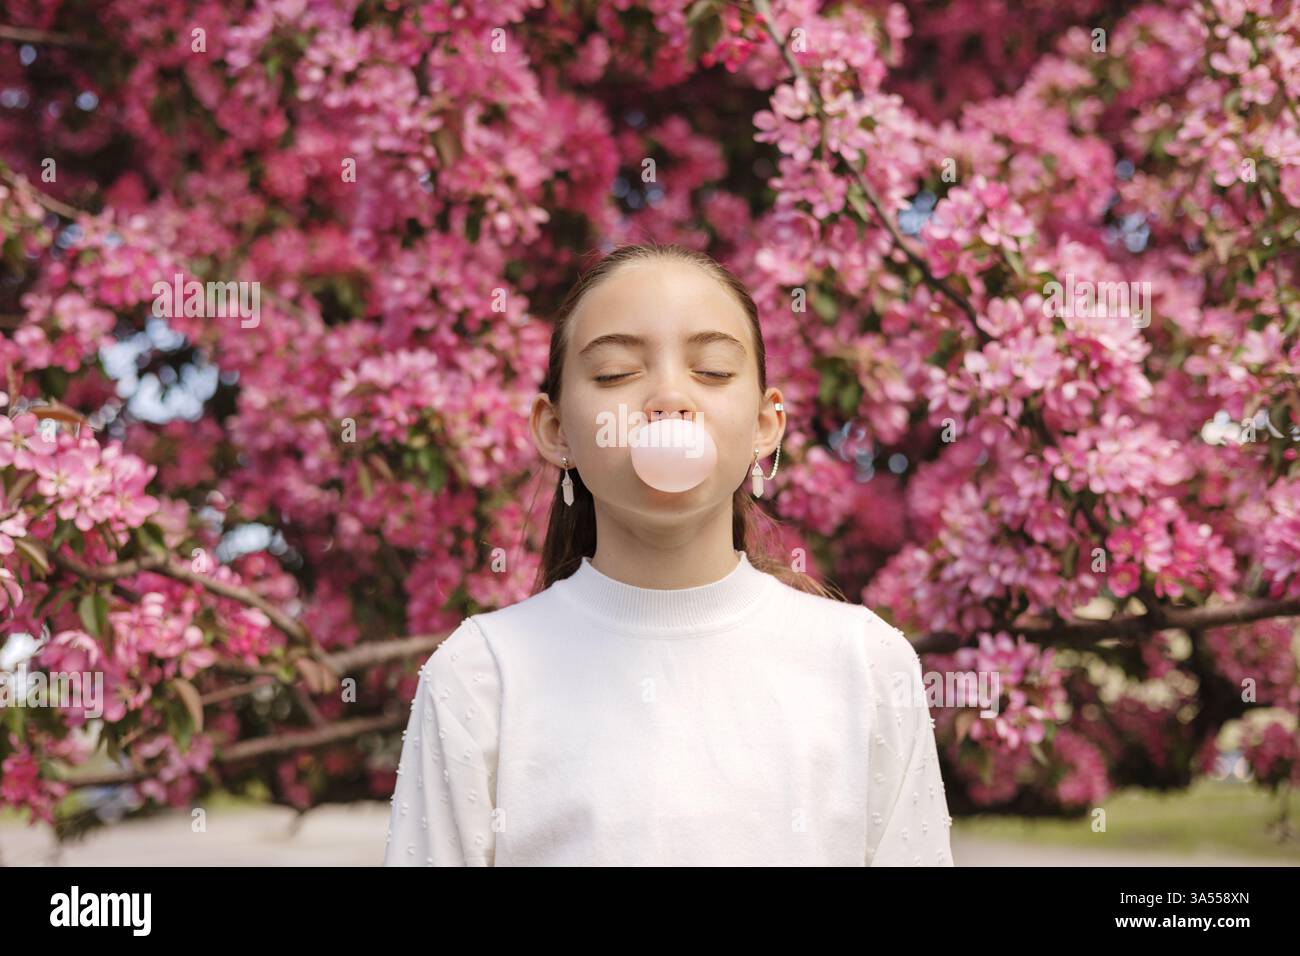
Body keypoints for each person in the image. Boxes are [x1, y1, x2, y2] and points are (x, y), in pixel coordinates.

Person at [384, 241, 954, 866]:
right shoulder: (479, 675)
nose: (668, 398)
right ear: (556, 430)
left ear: (767, 423)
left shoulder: (867, 665)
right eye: (614, 374)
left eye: (711, 370)